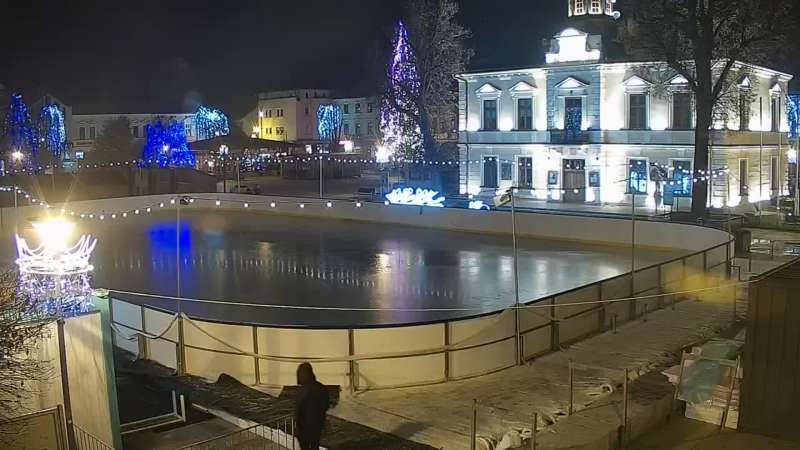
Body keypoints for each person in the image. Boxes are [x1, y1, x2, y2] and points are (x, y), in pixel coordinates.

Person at [295, 362, 329, 450]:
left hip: (304, 426)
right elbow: (326, 405)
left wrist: (297, 426)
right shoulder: (321, 387)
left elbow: (298, 409)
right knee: (315, 445)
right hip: (318, 424)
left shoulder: (302, 390)